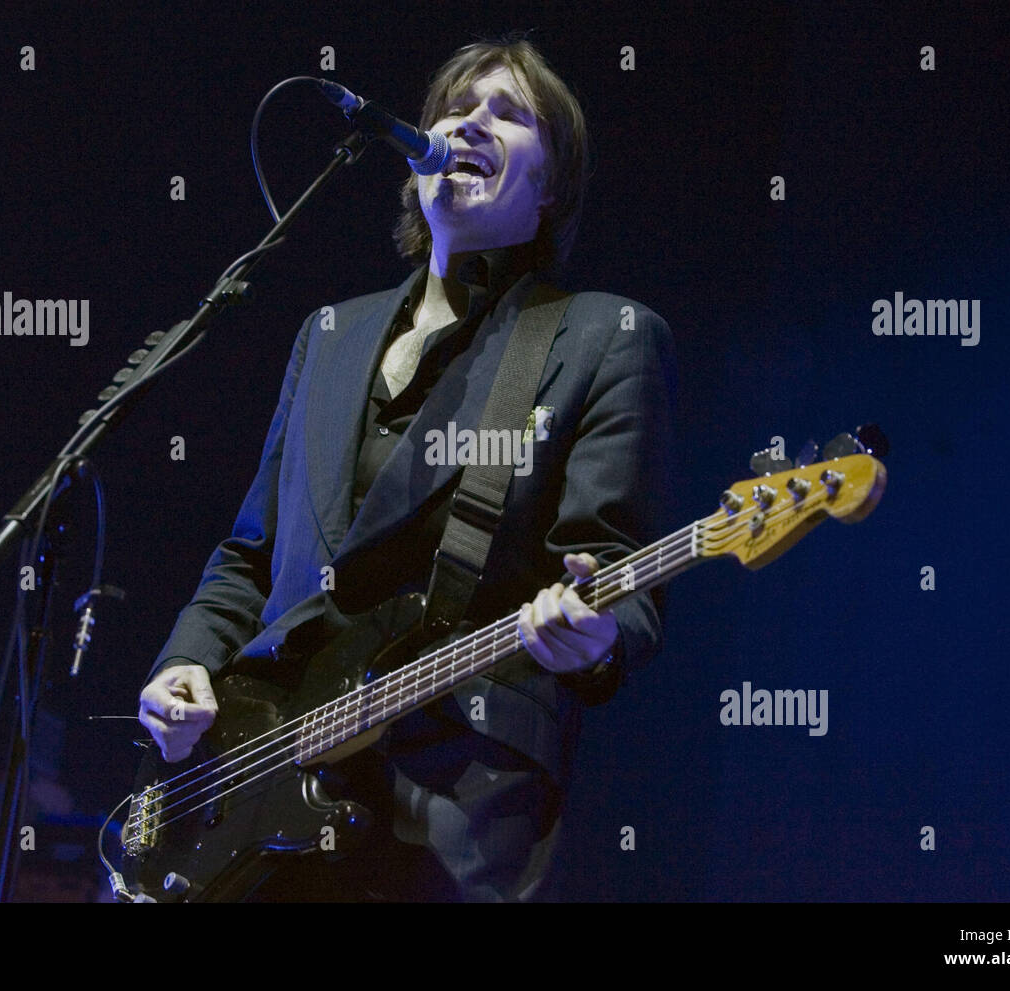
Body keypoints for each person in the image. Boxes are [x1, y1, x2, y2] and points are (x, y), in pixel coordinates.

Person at [137, 36, 677, 901]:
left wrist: (596, 633)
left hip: (452, 791)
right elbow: (249, 554)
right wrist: (186, 662)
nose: (472, 121)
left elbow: (619, 574)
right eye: (457, 109)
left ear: (550, 187)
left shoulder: (603, 337)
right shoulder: (328, 334)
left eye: (509, 113)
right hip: (262, 782)